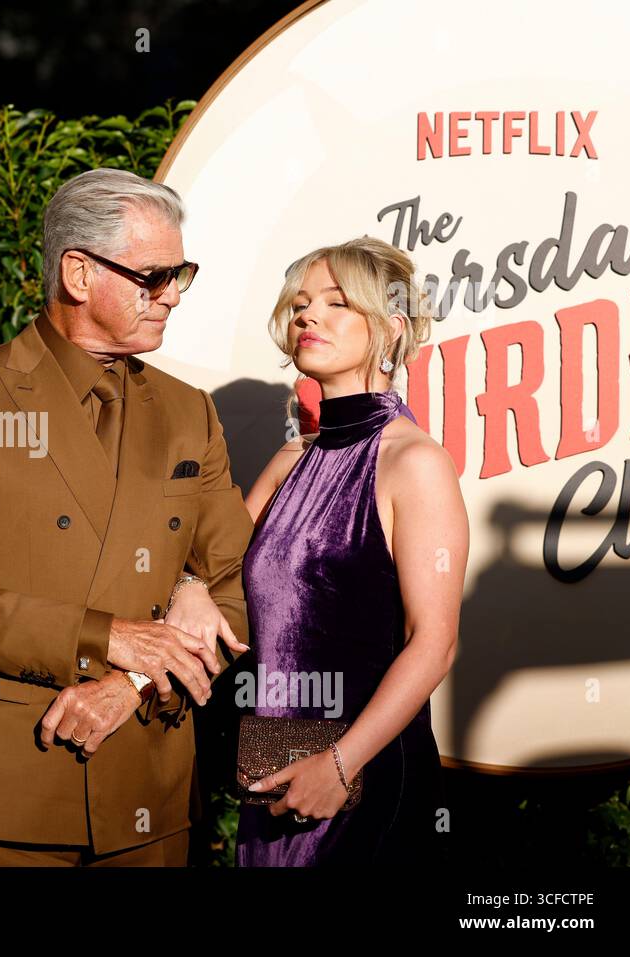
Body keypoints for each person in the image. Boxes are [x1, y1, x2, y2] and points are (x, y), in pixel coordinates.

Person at [0, 168, 255, 866]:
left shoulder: (189, 413)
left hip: (147, 781)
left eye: (181, 273)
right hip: (2, 792)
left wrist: (133, 683)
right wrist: (108, 638)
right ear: (79, 274)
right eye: (154, 276)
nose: (173, 295)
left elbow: (243, 581)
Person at [168, 237, 465, 865]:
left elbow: (434, 643)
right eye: (301, 303)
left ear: (391, 327)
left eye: (337, 303)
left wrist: (340, 765)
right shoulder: (290, 459)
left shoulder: (413, 462)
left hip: (365, 773)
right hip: (274, 768)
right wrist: (189, 588)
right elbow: (217, 581)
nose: (308, 315)